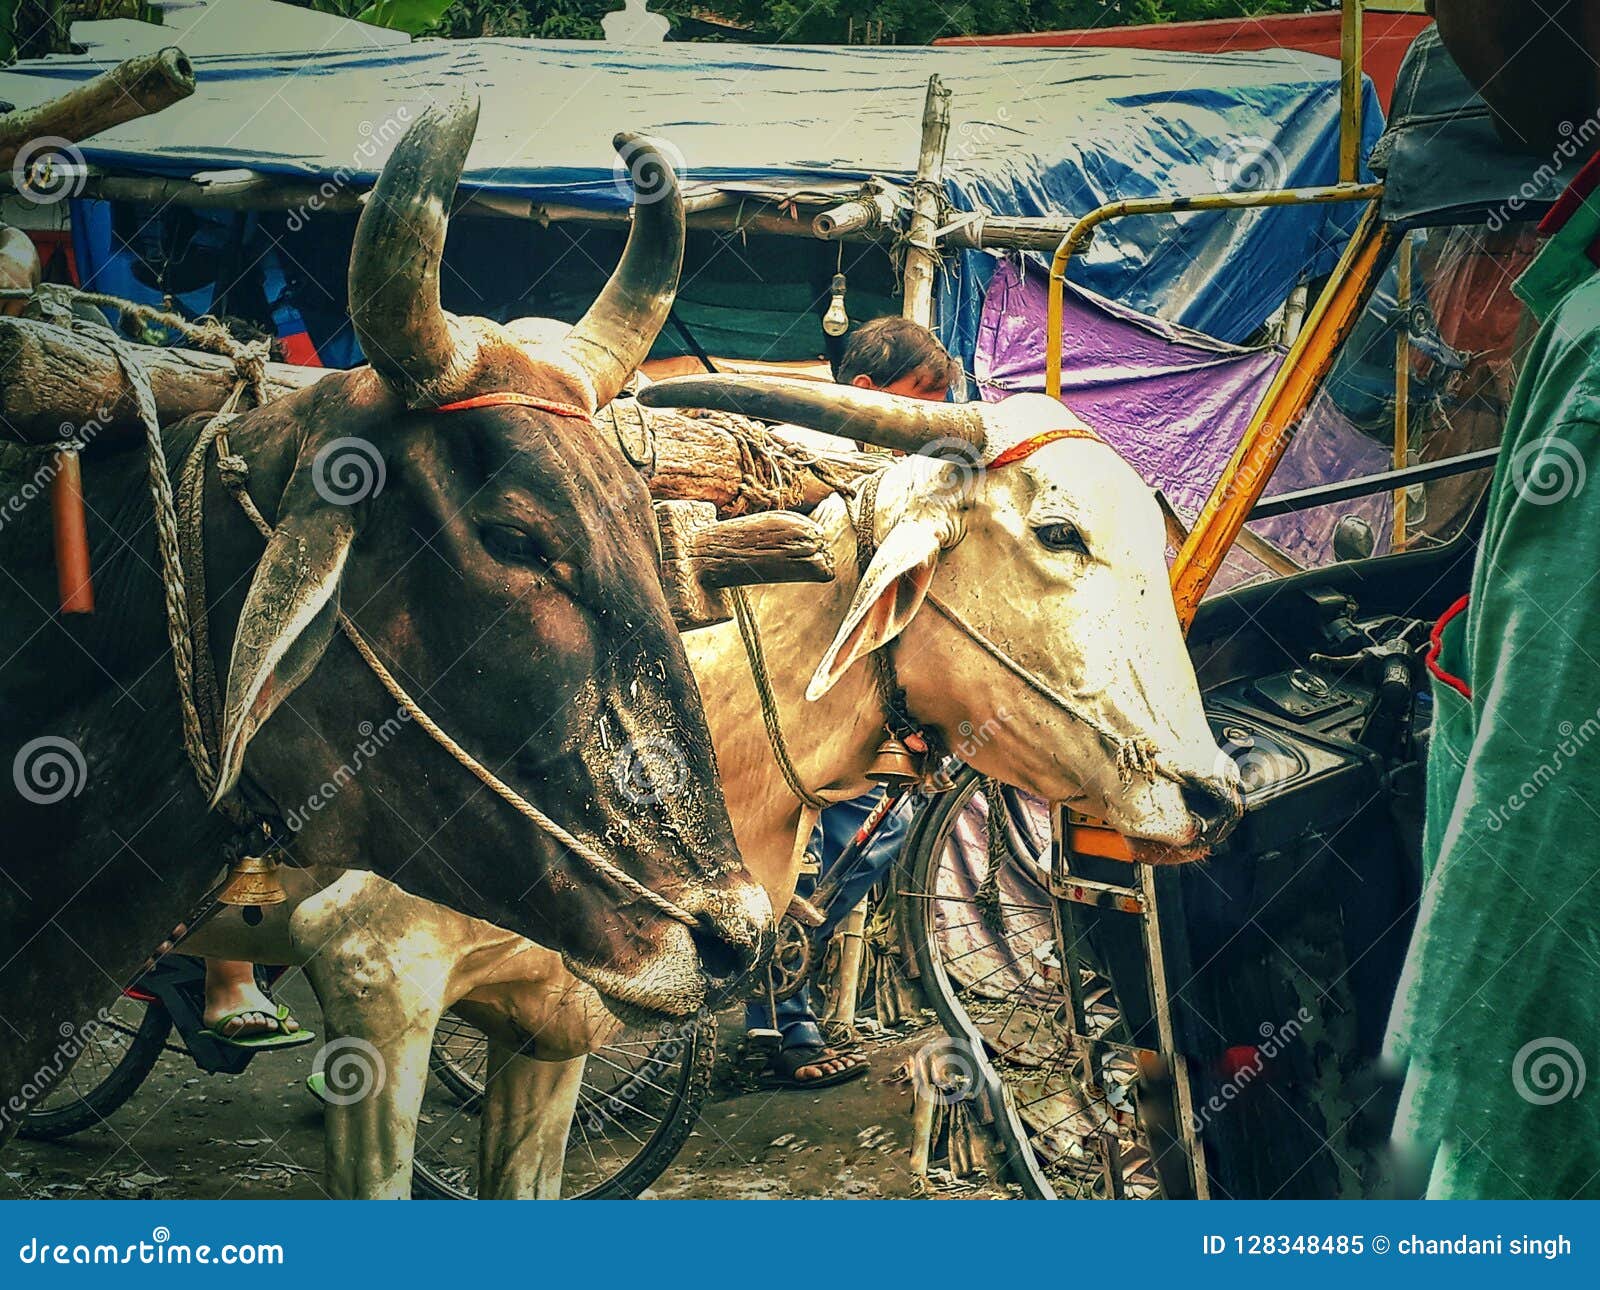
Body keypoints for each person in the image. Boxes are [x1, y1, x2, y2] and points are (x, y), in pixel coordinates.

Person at [1384, 0, 1600, 1199]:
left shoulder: (1588, 365)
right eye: (1434, 265)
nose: (1456, 317)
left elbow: (1529, 940)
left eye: (1484, 250)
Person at [747, 317, 962, 1088]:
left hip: (839, 702)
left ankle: (776, 997)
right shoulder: (812, 457)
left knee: (862, 835)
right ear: (866, 395)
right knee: (826, 843)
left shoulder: (887, 476)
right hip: (787, 705)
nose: (925, 426)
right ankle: (781, 1018)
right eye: (917, 405)